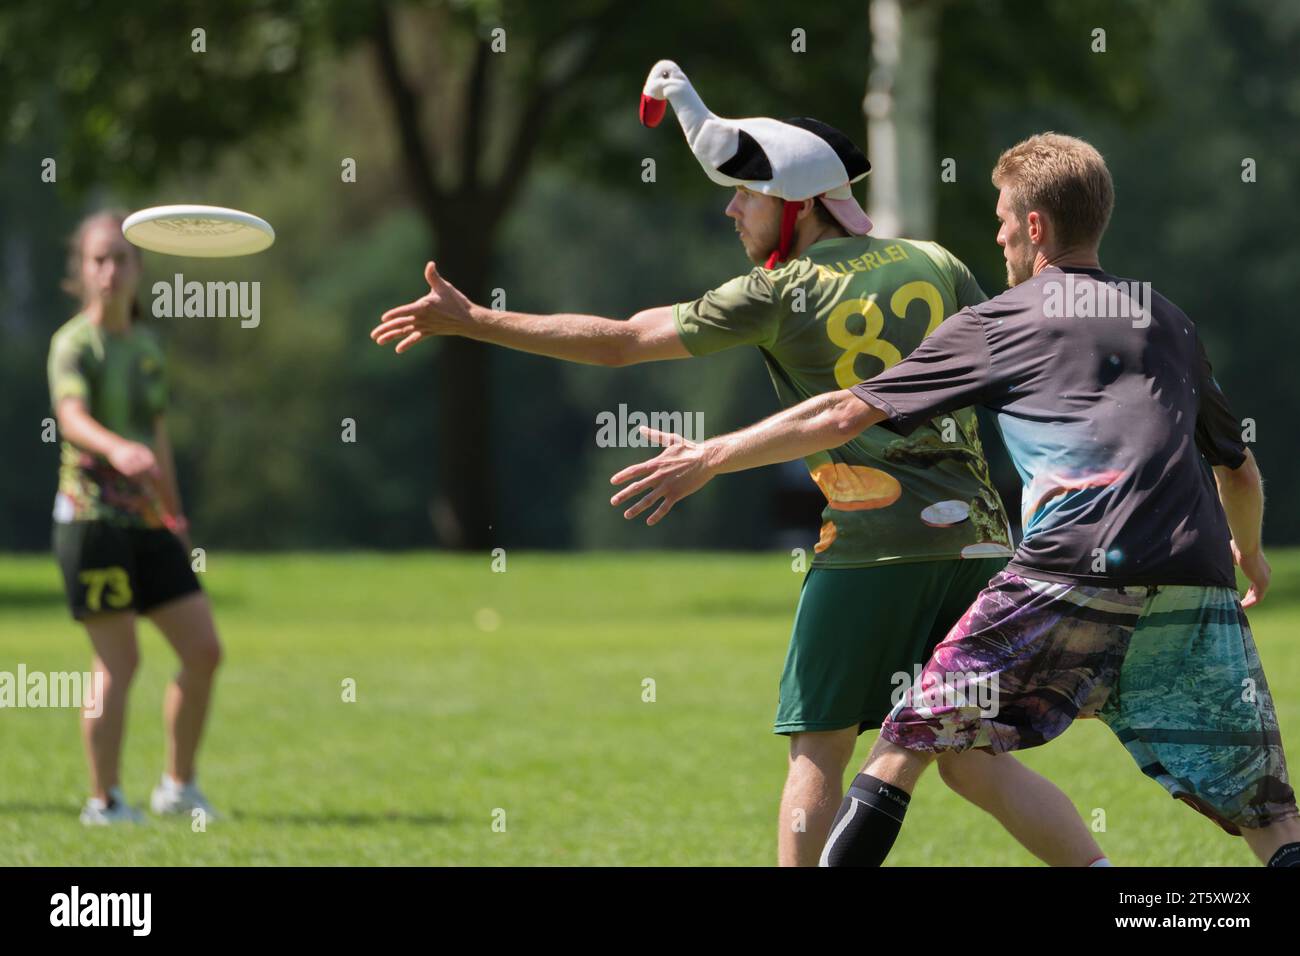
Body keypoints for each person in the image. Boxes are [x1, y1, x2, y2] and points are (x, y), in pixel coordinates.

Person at [371, 64, 1106, 866]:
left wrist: (478, 319)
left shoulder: (782, 291)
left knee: (817, 750)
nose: (731, 209)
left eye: (745, 196)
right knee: (974, 762)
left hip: (871, 548)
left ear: (794, 206)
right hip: (976, 547)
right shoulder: (936, 258)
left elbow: (621, 341)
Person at [608, 132, 1300, 867]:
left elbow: (842, 414)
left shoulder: (1004, 319)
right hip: (1195, 574)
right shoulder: (1163, 315)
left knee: (903, 743)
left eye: (1003, 219)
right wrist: (1248, 553)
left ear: (1035, 228)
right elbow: (1240, 472)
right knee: (1267, 814)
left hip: (1068, 567)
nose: (997, 235)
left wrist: (712, 455)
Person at [48, 210, 222, 825]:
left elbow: (157, 436)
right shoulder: (73, 345)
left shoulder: (148, 348)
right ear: (82, 271)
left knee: (204, 650)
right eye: (98, 259)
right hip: (91, 523)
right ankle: (105, 802)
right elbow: (70, 417)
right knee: (120, 662)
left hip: (147, 523)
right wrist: (115, 448)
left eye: (120, 259)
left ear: (139, 268)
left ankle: (177, 788)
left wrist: (174, 513)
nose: (109, 271)